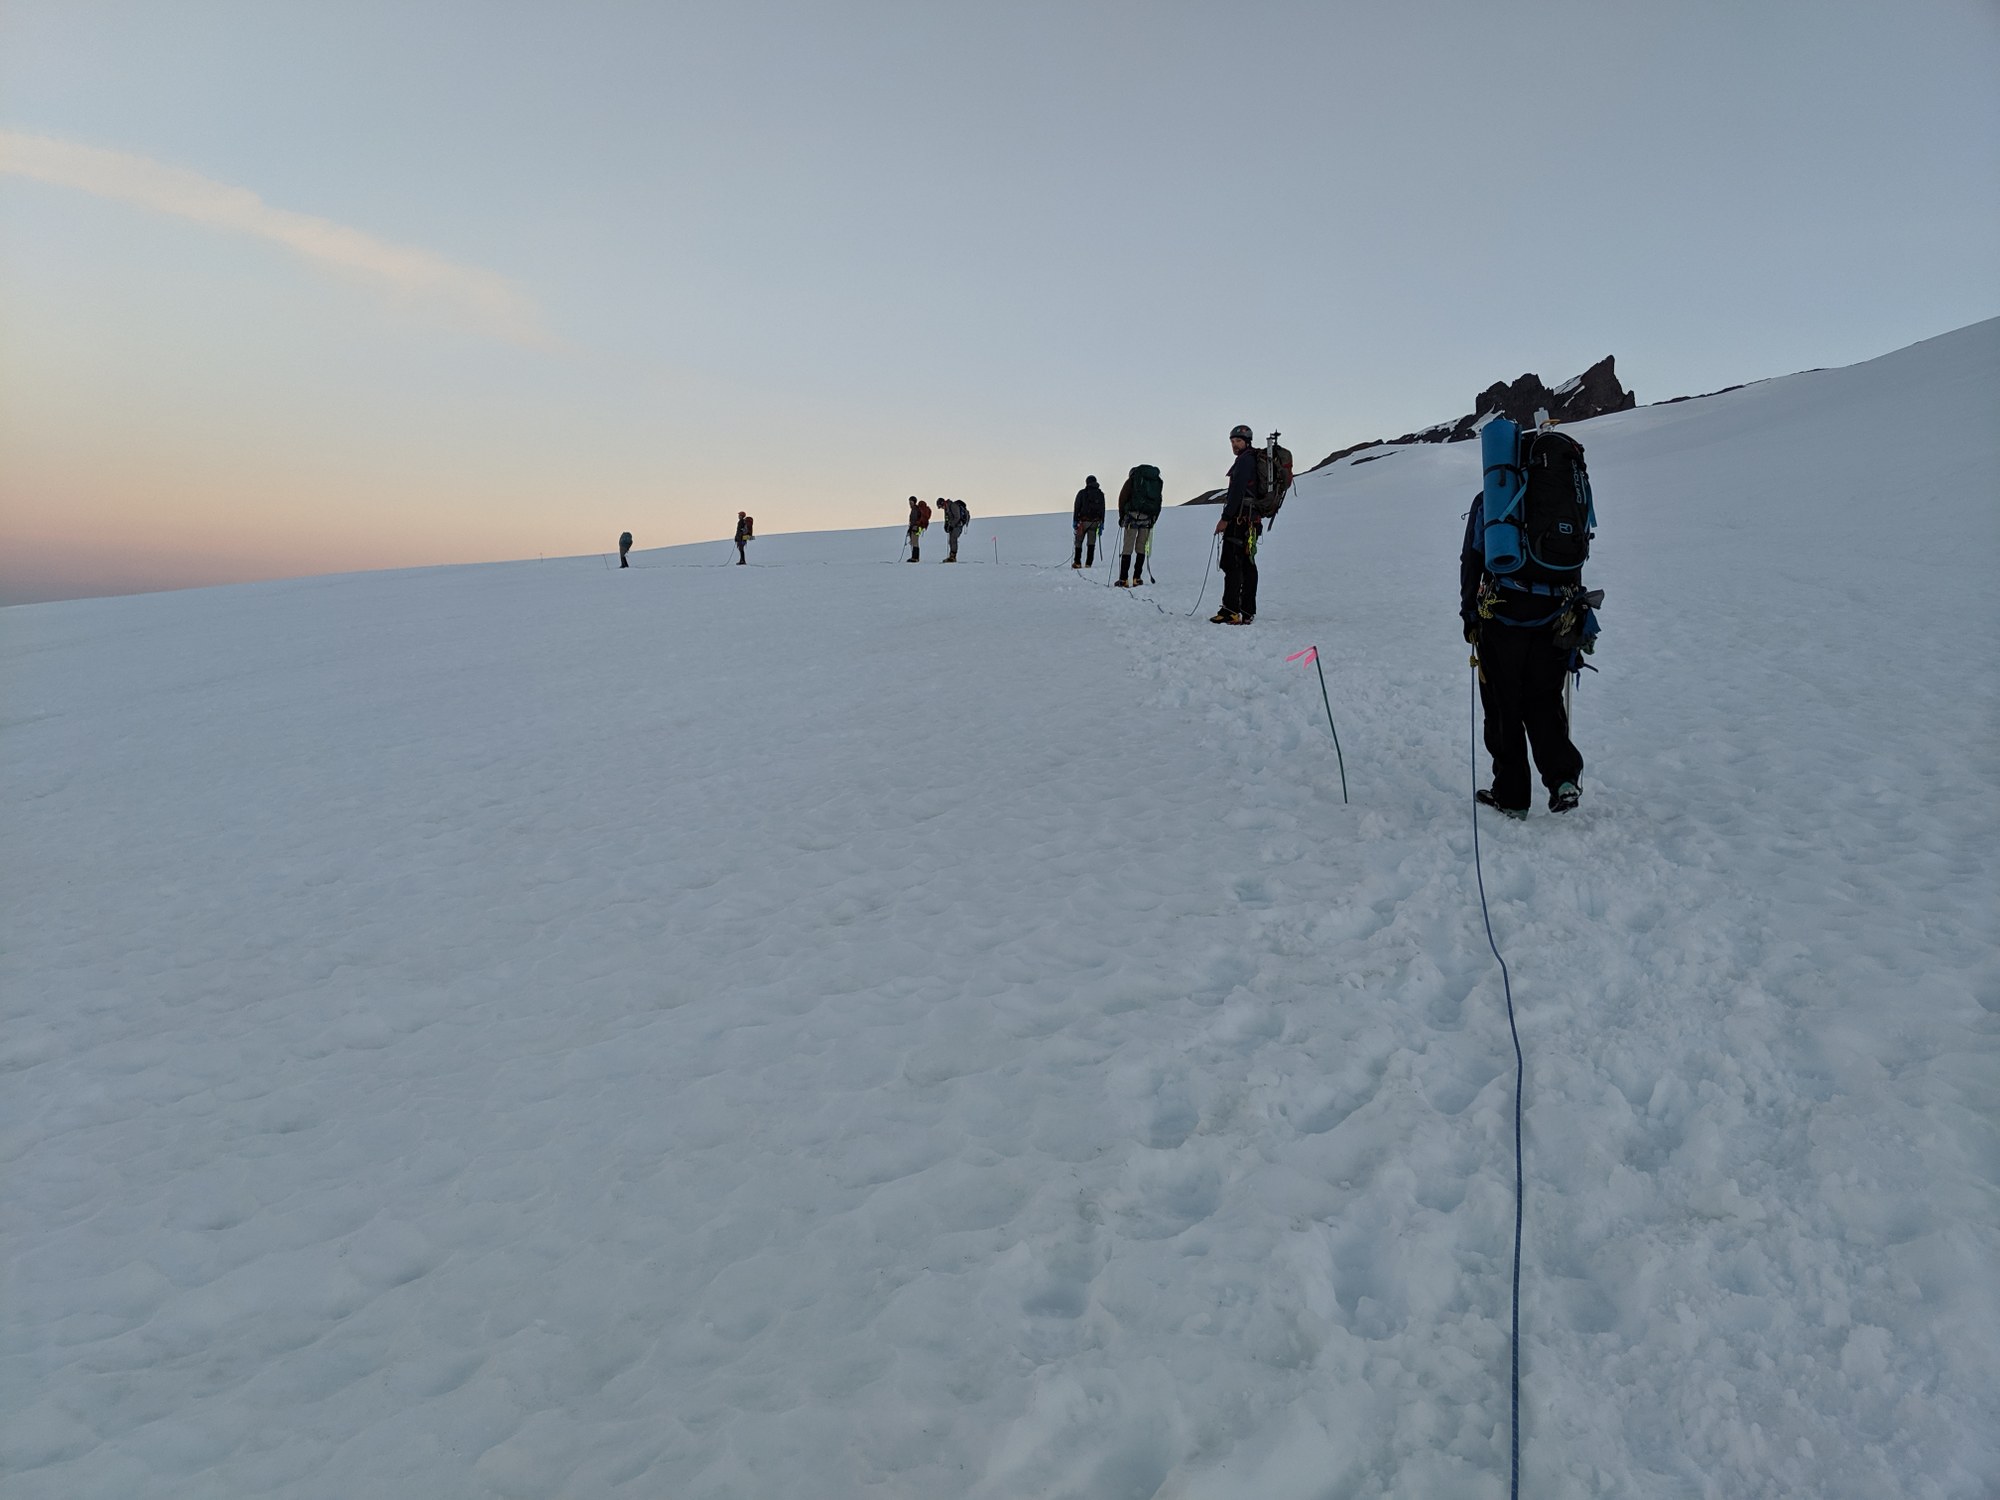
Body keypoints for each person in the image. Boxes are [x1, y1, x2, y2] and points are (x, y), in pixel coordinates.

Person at [1460, 488, 1587, 817]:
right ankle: (1563, 780)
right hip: (1556, 613)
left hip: (1501, 616)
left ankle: (1511, 796)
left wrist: (1469, 613)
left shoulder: (1493, 496)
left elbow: (1472, 557)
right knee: (1544, 699)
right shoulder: (1565, 491)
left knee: (1503, 705)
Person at [1211, 425, 1263, 623]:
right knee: (1248, 564)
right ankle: (1247, 611)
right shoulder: (1252, 460)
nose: (1234, 445)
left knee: (1232, 563)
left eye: (1238, 441)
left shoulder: (1244, 461)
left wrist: (1225, 518)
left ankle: (1230, 610)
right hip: (1252, 520)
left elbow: (1237, 491)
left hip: (1240, 520)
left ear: (1247, 441)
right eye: (1232, 441)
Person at [1114, 464, 1162, 586]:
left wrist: (1122, 517)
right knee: (1141, 548)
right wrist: (1153, 519)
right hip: (1147, 519)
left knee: (1127, 548)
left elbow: (1123, 498)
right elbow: (1158, 502)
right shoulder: (1154, 483)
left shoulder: (1132, 481)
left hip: (1132, 517)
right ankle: (1137, 578)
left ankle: (1123, 579)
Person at [1072, 476, 1105, 569]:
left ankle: (1077, 562)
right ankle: (1088, 563)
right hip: (1095, 522)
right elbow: (1102, 509)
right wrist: (1102, 522)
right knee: (1091, 543)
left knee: (1078, 541)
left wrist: (1075, 520)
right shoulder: (1100, 494)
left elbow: (1077, 507)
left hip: (1083, 521)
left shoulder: (1082, 493)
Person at [939, 498, 969, 562]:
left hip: (958, 524)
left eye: (941, 506)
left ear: (943, 503)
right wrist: (946, 525)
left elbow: (957, 517)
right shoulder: (946, 509)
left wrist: (951, 525)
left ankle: (953, 557)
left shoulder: (953, 506)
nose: (942, 508)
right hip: (953, 525)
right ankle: (951, 556)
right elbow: (947, 518)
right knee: (951, 540)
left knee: (953, 538)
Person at [906, 496, 931, 562]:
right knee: (914, 541)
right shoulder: (916, 509)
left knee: (914, 542)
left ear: (914, 502)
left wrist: (911, 528)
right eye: (909, 502)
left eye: (911, 502)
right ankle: (915, 557)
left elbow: (913, 520)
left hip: (916, 527)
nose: (910, 504)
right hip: (918, 527)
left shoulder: (915, 509)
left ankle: (915, 558)